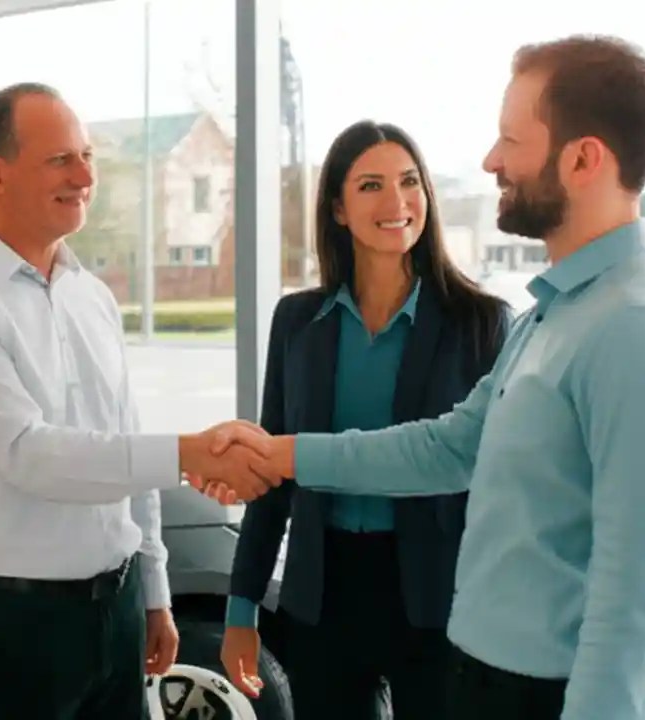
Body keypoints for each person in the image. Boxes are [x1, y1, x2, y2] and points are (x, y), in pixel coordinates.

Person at [200, 35, 645, 720]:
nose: (490, 160)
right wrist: (282, 454)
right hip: (486, 682)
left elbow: (639, 611)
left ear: (582, 158)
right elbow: (449, 446)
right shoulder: (557, 314)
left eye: (511, 139)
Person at [0, 82, 280, 719]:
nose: (83, 175)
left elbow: (123, 441)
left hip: (119, 606)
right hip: (13, 626)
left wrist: (154, 590)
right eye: (60, 160)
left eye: (87, 157)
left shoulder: (91, 296)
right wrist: (192, 454)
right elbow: (30, 455)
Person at [219, 120, 508, 719]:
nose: (396, 202)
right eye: (371, 186)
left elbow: (497, 480)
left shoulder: (481, 322)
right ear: (339, 210)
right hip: (323, 595)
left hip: (440, 599)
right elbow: (273, 472)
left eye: (409, 182)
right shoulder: (299, 322)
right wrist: (241, 607)